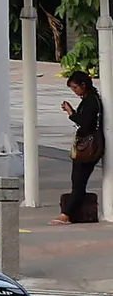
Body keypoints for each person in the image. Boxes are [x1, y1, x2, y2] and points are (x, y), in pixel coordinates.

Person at [58, 69, 105, 224]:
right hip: (90, 145)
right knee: (78, 182)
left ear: (83, 85)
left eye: (75, 88)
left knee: (78, 182)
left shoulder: (91, 101)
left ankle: (66, 214)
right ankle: (73, 212)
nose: (75, 91)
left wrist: (71, 113)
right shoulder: (90, 99)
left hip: (89, 148)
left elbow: (86, 122)